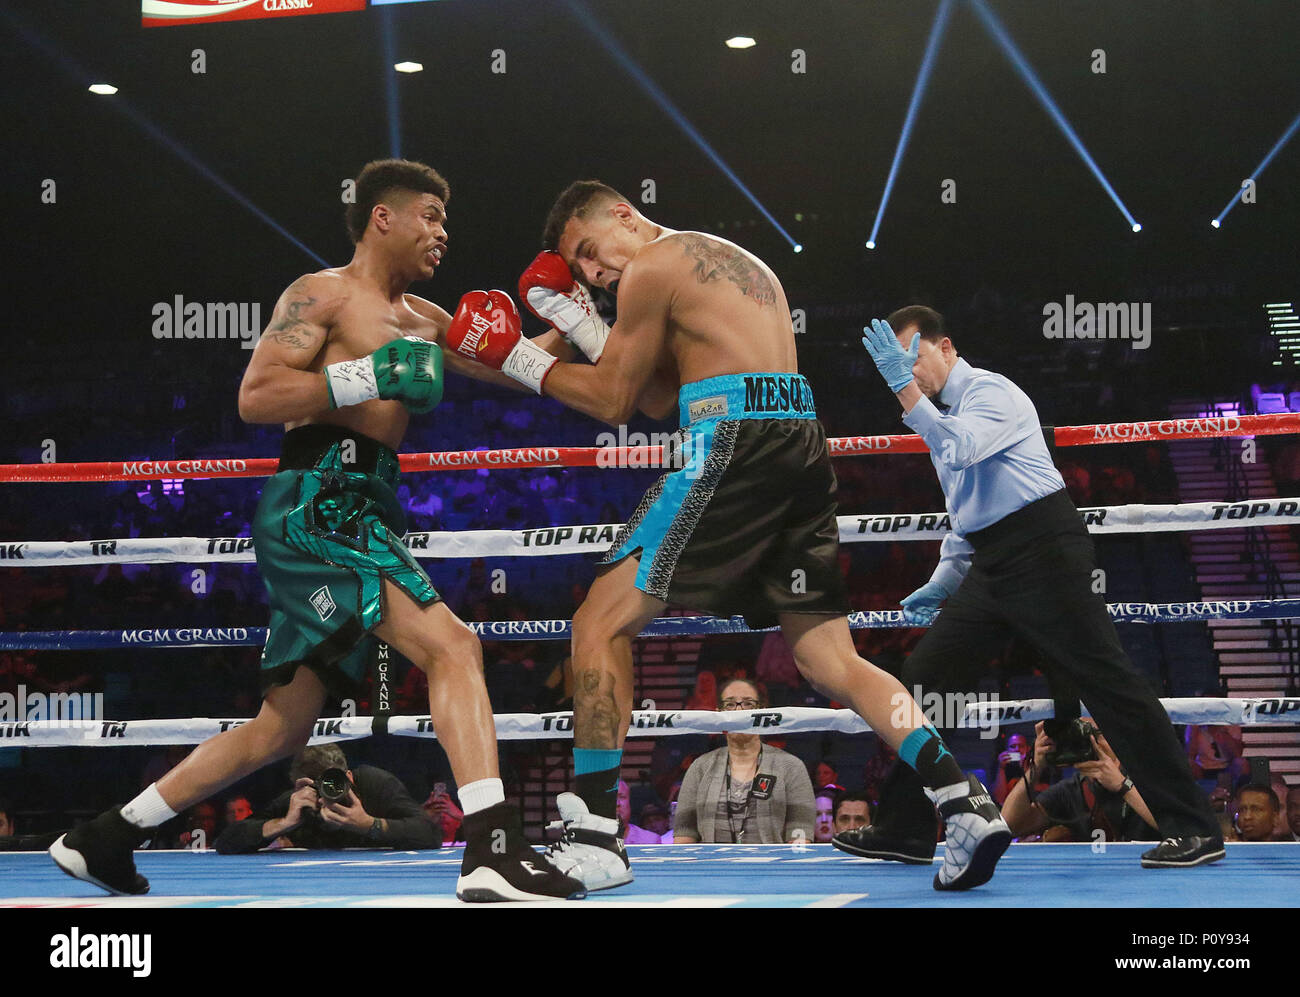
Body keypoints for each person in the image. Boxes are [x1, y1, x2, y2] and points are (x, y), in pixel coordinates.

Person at [446, 182, 1009, 891]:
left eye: (589, 252)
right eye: (578, 269)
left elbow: (617, 402)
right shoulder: (736, 260)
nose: (591, 274)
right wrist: (584, 324)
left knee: (596, 621)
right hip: (799, 441)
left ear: (624, 214)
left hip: (732, 439)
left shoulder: (651, 265)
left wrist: (519, 357)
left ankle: (593, 833)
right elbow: (657, 397)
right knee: (829, 657)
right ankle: (961, 799)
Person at [50, 159, 582, 903]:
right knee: (454, 642)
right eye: (430, 214)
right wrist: (368, 376)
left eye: (446, 219)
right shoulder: (321, 294)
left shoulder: (427, 320)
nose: (443, 231)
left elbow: (525, 370)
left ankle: (105, 835)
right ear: (381, 218)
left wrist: (573, 312)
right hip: (317, 498)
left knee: (280, 729)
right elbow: (257, 396)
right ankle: (491, 845)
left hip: (364, 499)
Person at [838, 306, 1222, 869]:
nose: (907, 372)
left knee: (1110, 684)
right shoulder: (938, 413)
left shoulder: (993, 393)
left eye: (912, 357)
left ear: (945, 347)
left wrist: (902, 389)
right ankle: (906, 828)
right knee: (922, 681)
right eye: (893, 365)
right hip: (992, 563)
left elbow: (959, 449)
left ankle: (1193, 827)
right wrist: (942, 579)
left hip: (1045, 551)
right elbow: (965, 509)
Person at [215, 745, 438, 853]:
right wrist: (283, 823)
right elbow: (225, 843)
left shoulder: (375, 784)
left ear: (349, 776)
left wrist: (370, 824)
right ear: (303, 786)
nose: (328, 794)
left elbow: (430, 834)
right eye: (320, 788)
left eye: (334, 783)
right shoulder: (301, 801)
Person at [672, 679, 816, 844]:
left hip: (772, 868)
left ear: (762, 711)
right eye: (730, 704)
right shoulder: (700, 767)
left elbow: (800, 836)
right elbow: (684, 835)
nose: (739, 711)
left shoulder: (791, 767)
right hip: (712, 868)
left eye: (748, 704)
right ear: (719, 714)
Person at [1001, 721, 1157, 842]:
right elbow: (1009, 826)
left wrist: (1122, 786)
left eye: (1098, 733)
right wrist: (1036, 767)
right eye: (1082, 737)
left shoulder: (1146, 779)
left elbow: (1174, 826)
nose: (1093, 743)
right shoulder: (1070, 791)